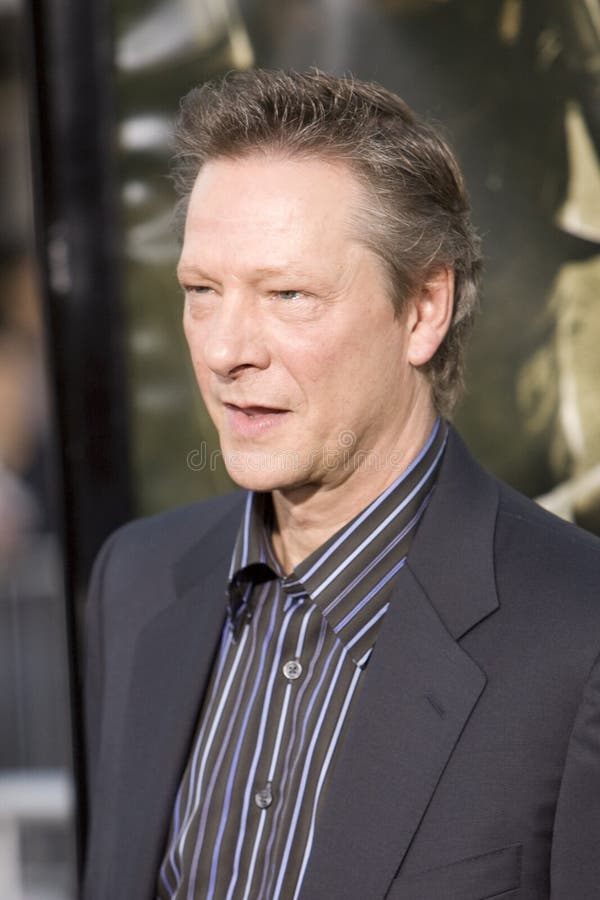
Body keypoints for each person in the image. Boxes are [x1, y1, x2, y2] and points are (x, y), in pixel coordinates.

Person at [82, 70, 600, 900]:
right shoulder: (137, 581)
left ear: (423, 309)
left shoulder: (578, 634)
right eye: (201, 291)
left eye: (288, 294)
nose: (225, 350)